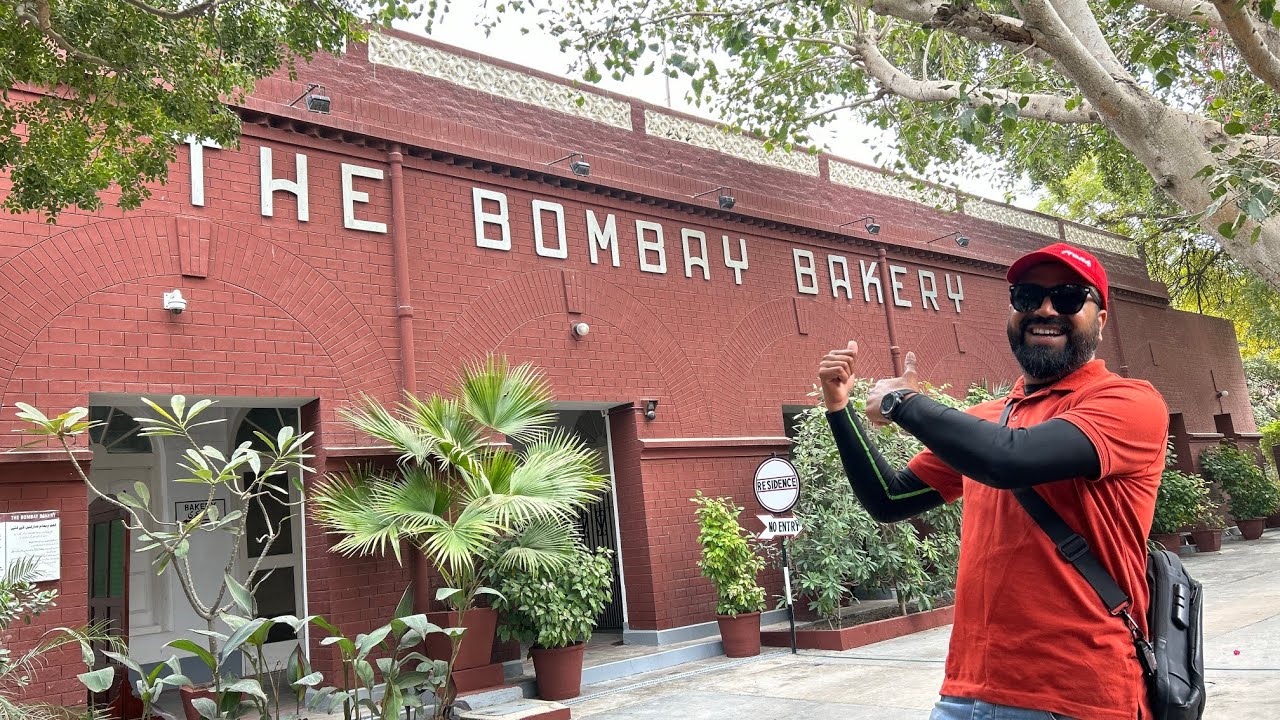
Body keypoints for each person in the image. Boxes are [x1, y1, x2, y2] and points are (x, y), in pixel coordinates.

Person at [818, 242, 1169, 720]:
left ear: (1101, 321)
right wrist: (840, 411)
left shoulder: (1128, 403)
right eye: (1028, 296)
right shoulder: (986, 420)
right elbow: (890, 498)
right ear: (1011, 312)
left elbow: (1009, 459)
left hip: (1077, 692)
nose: (1045, 309)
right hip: (966, 692)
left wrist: (903, 404)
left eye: (1067, 298)